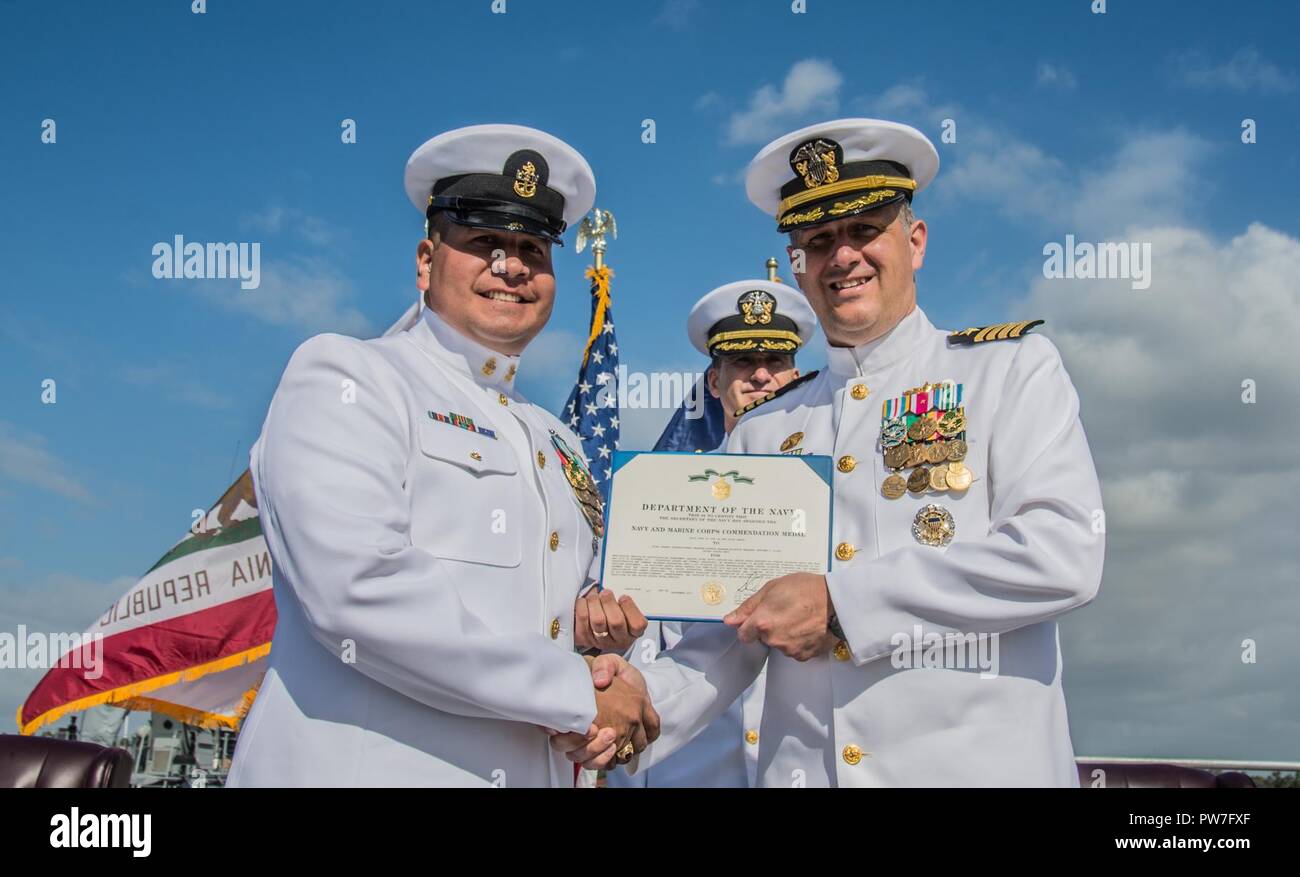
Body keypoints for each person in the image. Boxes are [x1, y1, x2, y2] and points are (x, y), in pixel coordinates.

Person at [558, 118, 1104, 787]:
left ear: (916, 241)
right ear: (799, 264)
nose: (842, 256)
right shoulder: (763, 430)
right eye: (817, 241)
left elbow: (1063, 552)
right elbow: (731, 635)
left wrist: (843, 604)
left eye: (864, 229)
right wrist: (631, 702)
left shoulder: (1009, 371)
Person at [227, 124, 657, 787]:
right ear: (426, 261)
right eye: (485, 241)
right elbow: (356, 589)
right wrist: (575, 691)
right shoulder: (349, 376)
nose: (511, 266)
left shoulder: (558, 440)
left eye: (532, 248)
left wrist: (593, 641)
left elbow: (536, 614)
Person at [600, 279, 816, 787]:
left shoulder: (829, 490)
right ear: (714, 382)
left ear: (798, 375)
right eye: (742, 363)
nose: (761, 375)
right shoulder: (659, 491)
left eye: (776, 362)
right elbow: (631, 631)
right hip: (689, 766)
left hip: (804, 762)